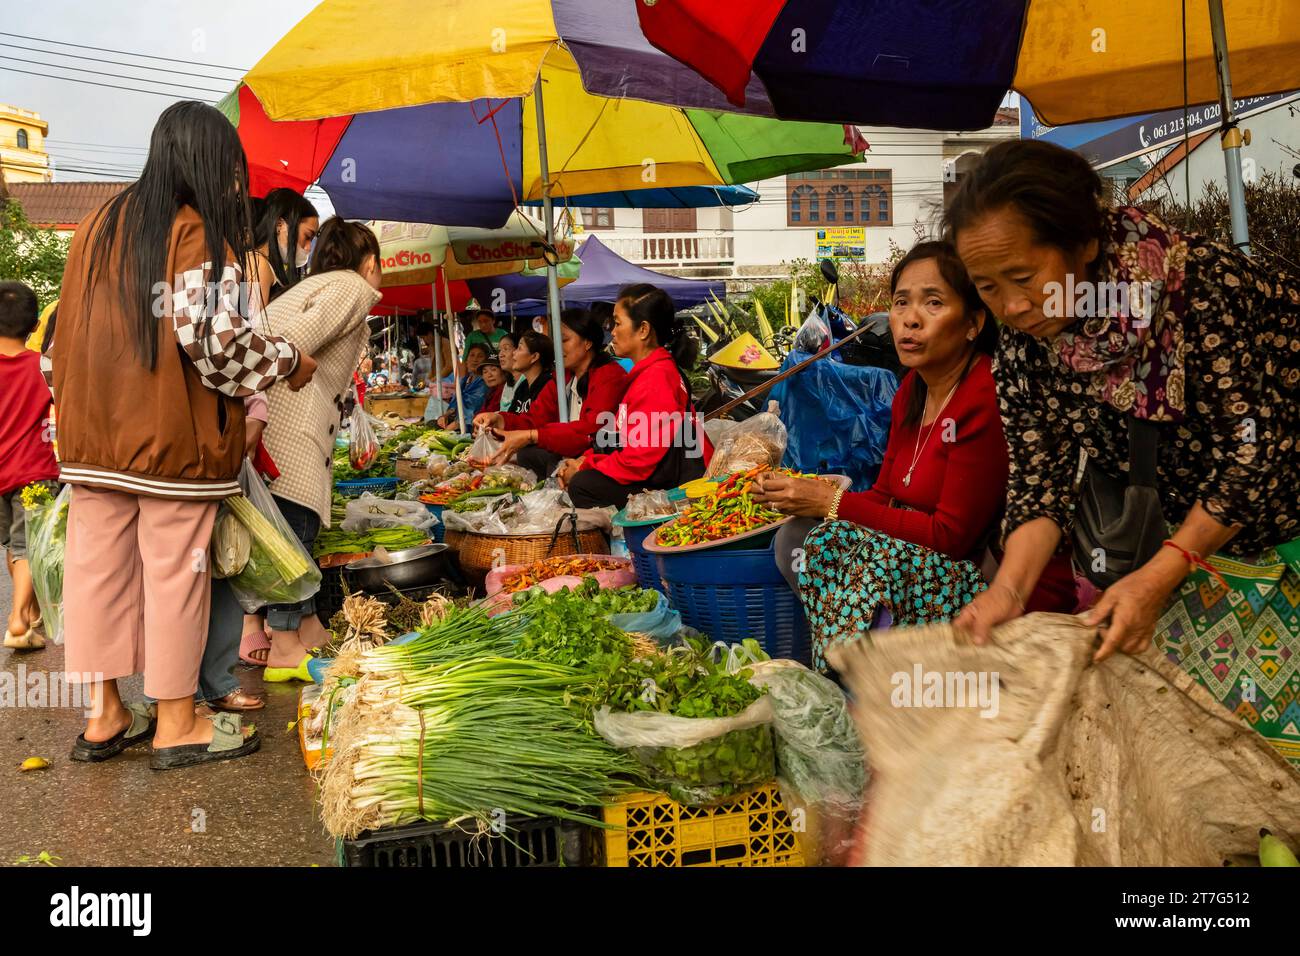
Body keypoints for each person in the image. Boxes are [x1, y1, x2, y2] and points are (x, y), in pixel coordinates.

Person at [943, 139, 1300, 664]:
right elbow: (1040, 481)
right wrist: (1008, 591)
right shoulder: (1026, 344)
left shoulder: (1198, 287)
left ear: (1085, 242)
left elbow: (1251, 452)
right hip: (1193, 547)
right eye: (987, 287)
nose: (1013, 306)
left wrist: (1161, 574)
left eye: (1023, 278)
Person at [47, 101, 316, 768]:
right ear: (202, 162)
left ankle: (106, 715)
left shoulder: (95, 228)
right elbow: (218, 349)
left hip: (91, 442)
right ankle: (176, 723)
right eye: (229, 170)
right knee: (176, 577)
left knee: (97, 575)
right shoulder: (191, 231)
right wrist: (288, 359)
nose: (234, 186)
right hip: (170, 446)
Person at [752, 241, 1077, 673]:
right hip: (933, 566)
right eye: (901, 302)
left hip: (991, 582)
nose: (910, 318)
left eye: (934, 302)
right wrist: (806, 497)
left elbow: (951, 537)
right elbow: (887, 493)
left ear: (973, 323)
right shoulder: (912, 390)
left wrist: (830, 503)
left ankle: (879, 680)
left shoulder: (985, 395)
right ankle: (861, 672)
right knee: (797, 535)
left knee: (845, 546)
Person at [256, 218, 384, 681]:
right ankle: (285, 644)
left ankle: (305, 627)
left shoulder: (315, 284)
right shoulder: (351, 287)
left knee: (297, 530)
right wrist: (293, 366)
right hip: (292, 425)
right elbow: (293, 345)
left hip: (281, 422)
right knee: (295, 532)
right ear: (369, 261)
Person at [555, 284, 713, 509]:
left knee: (583, 484)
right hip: (655, 470)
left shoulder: (657, 379)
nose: (613, 331)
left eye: (618, 323)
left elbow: (638, 461)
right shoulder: (648, 373)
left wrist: (584, 466)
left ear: (643, 330)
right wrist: (586, 459)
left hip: (674, 486)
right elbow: (622, 438)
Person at [473, 309, 629, 478]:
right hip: (573, 453)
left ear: (587, 343)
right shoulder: (563, 378)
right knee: (530, 455)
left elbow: (590, 431)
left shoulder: (609, 376)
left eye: (564, 340)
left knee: (548, 459)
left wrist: (532, 435)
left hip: (598, 457)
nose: (558, 347)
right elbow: (535, 418)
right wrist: (500, 420)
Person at [0, 282, 59, 650]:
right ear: (36, 324)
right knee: (28, 547)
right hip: (34, 471)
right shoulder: (44, 367)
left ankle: (28, 615)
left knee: (11, 544)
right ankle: (18, 618)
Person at [251, 188, 319, 303]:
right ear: (279, 225)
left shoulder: (264, 265)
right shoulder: (258, 264)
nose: (308, 247)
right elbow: (254, 319)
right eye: (307, 237)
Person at [436, 342, 490, 429]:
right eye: (472, 355)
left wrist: (449, 429)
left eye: (480, 356)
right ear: (467, 359)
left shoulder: (483, 383)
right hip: (456, 423)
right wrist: (445, 416)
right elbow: (454, 404)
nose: (475, 360)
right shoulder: (465, 380)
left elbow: (470, 412)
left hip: (471, 428)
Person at [503, 330, 554, 415]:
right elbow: (510, 416)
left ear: (534, 357)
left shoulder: (547, 386)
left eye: (519, 348)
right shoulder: (522, 387)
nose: (513, 353)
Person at [495, 333, 520, 409]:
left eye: (506, 349)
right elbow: (505, 407)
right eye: (499, 350)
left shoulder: (528, 381)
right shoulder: (509, 383)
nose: (500, 354)